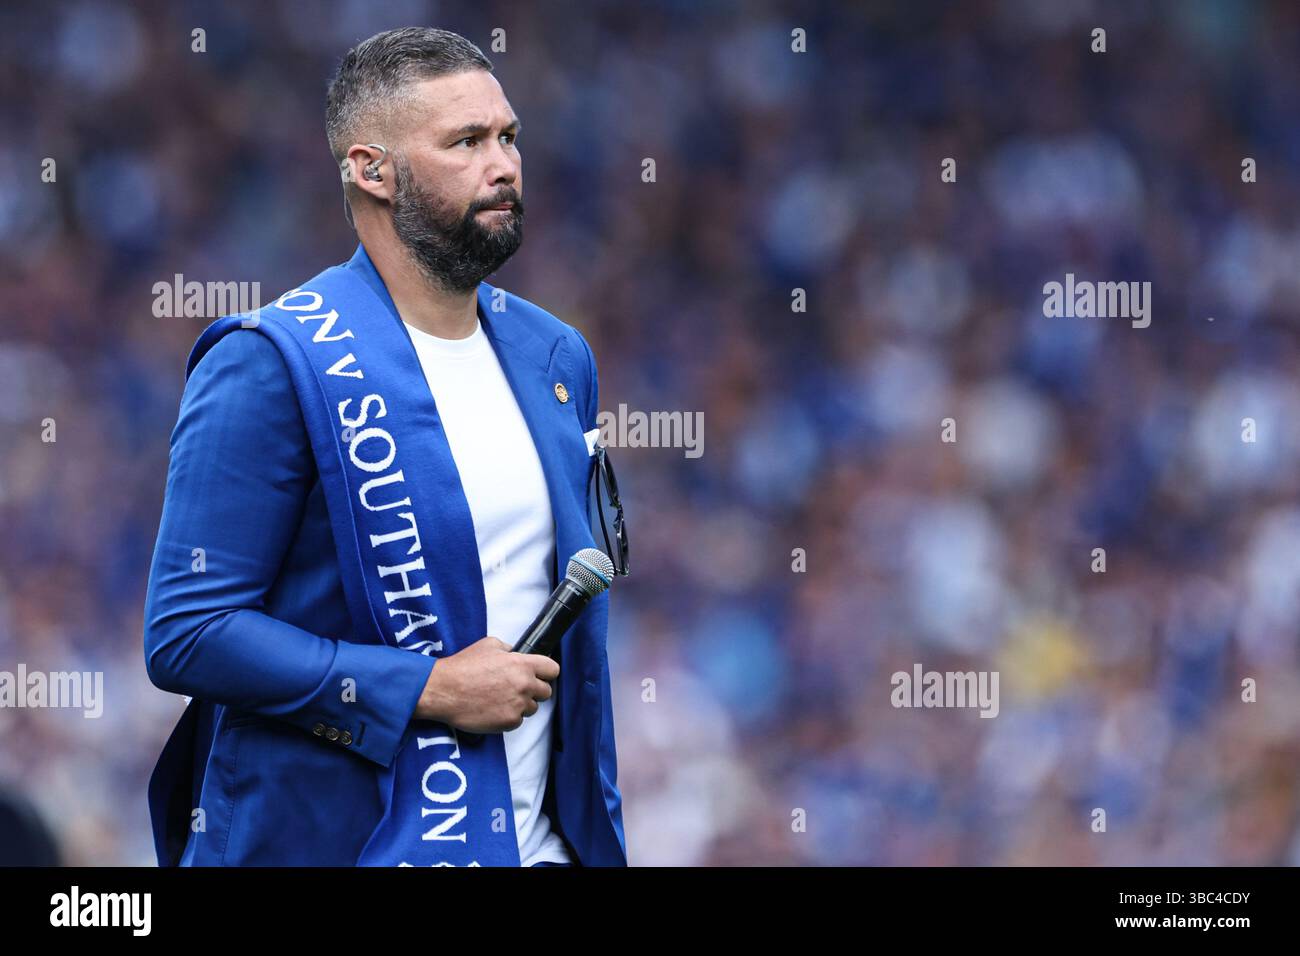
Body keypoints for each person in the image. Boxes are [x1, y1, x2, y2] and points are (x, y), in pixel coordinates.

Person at [143, 27, 626, 867]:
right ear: (371, 171)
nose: (504, 164)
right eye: (465, 142)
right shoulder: (269, 361)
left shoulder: (556, 358)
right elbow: (189, 630)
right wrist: (430, 690)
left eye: (508, 137)